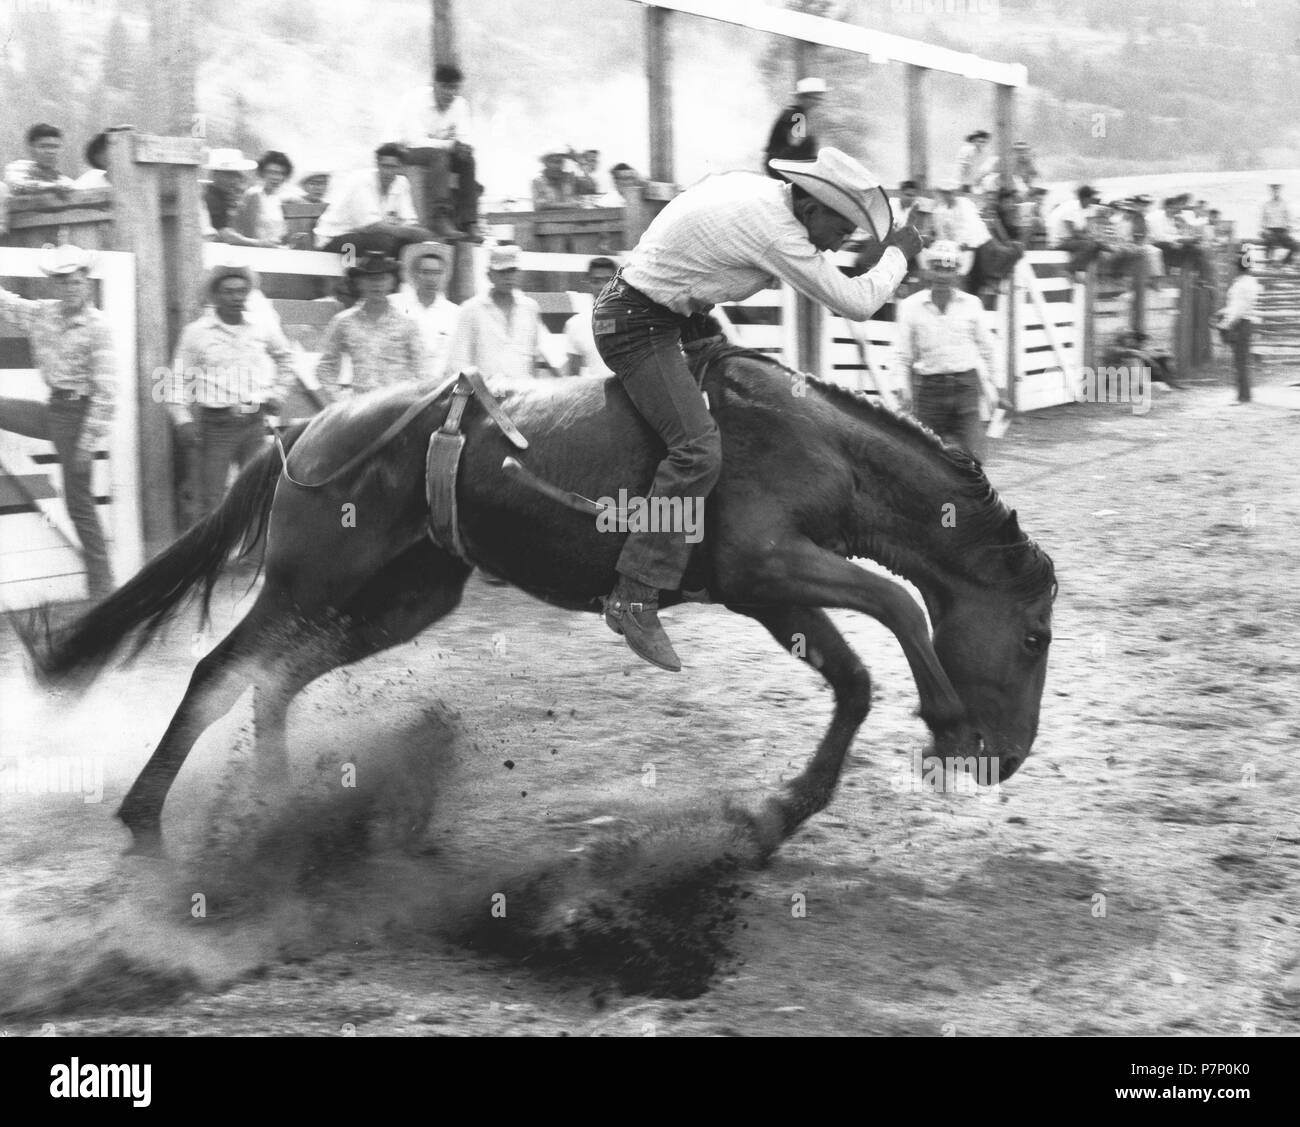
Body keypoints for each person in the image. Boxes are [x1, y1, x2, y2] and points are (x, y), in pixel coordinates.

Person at [591, 147, 920, 671]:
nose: (842, 242)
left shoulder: (762, 195)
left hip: (672, 313)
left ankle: (729, 540)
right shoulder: (777, 230)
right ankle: (634, 590)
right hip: (639, 324)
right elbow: (856, 302)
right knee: (697, 448)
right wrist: (898, 255)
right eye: (841, 229)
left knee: (752, 411)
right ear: (811, 209)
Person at [0, 244, 115, 599]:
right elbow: (7, 304)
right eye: (64, 281)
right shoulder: (43, 314)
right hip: (54, 410)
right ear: (55, 284)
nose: (71, 287)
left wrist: (85, 444)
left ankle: (103, 589)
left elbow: (108, 393)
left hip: (79, 418)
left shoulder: (98, 327)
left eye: (77, 280)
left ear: (87, 282)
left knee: (78, 504)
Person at [168, 265, 297, 518]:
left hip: (254, 422)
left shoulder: (260, 327)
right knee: (211, 498)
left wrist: (278, 393)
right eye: (228, 292)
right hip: (216, 426)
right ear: (214, 296)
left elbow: (287, 358)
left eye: (241, 291)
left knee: (259, 492)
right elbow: (175, 379)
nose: (236, 297)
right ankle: (213, 555)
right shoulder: (196, 333)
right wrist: (182, 419)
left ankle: (253, 556)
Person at [894, 241, 1003, 465]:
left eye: (949, 269)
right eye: (937, 268)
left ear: (957, 273)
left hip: (966, 389)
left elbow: (988, 348)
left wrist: (999, 386)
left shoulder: (972, 304)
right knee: (924, 460)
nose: (943, 276)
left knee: (974, 457)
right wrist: (902, 389)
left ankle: (967, 500)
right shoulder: (910, 307)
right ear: (928, 271)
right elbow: (901, 355)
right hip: (928, 391)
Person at [314, 252, 425, 398]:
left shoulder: (408, 324)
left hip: (398, 405)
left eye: (383, 278)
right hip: (361, 408)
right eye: (371, 279)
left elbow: (421, 370)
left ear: (392, 282)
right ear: (359, 283)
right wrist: (340, 399)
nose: (377, 284)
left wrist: (413, 399)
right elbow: (324, 366)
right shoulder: (343, 321)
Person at [396, 63, 483, 241]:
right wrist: (450, 145)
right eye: (445, 88)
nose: (450, 94)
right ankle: (440, 217)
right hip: (407, 152)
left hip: (440, 150)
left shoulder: (460, 104)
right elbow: (414, 141)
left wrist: (463, 147)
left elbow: (463, 137)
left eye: (454, 88)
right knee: (439, 156)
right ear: (435, 84)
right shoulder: (414, 100)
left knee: (468, 159)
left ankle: (470, 221)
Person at [448, 243, 554, 382]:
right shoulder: (471, 309)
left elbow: (535, 355)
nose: (508, 277)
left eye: (512, 270)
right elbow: (460, 360)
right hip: (485, 395)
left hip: (524, 393)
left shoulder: (530, 308)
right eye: (502, 271)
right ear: (489, 275)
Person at [314, 143, 436, 255]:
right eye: (384, 166)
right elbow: (371, 226)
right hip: (335, 238)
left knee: (409, 245)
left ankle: (396, 277)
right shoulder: (361, 180)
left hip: (365, 238)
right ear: (377, 164)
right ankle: (351, 275)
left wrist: (417, 234)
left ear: (401, 168)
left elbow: (408, 221)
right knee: (381, 242)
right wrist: (412, 232)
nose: (388, 172)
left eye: (393, 167)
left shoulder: (401, 182)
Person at [393, 242, 460, 381]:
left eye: (437, 273)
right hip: (401, 388)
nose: (431, 278)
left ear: (444, 275)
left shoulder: (455, 313)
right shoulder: (395, 306)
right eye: (425, 272)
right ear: (414, 274)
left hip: (442, 388)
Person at [1219, 251, 1261, 405]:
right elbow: (1239, 306)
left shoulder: (1241, 284)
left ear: (1238, 267)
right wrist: (1225, 312)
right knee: (1241, 359)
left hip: (1240, 323)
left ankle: (1243, 396)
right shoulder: (1250, 282)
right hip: (1245, 322)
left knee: (1240, 360)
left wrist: (1227, 323)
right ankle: (1244, 394)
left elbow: (1239, 308)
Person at [565, 257, 618, 376]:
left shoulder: (634, 322)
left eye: (608, 280)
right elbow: (573, 376)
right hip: (595, 392)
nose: (602, 286)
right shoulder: (576, 325)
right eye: (596, 281)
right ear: (588, 283)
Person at [763, 77, 827, 176]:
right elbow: (795, 143)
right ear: (803, 98)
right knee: (809, 142)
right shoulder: (797, 115)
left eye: (819, 98)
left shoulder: (796, 113)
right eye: (815, 98)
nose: (818, 102)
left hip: (778, 162)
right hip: (779, 165)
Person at [231, 150, 295, 247]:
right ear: (262, 173)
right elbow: (240, 226)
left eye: (280, 173)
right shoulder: (251, 195)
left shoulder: (291, 198)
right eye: (271, 172)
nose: (276, 177)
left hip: (282, 250)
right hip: (255, 248)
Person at [5, 123, 75, 195]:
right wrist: (51, 187)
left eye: (55, 147)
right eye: (44, 146)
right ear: (30, 148)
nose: (50, 151)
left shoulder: (66, 182)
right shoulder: (18, 169)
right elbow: (17, 187)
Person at [202, 148, 257, 238]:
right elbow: (223, 233)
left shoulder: (228, 197)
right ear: (215, 175)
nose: (234, 181)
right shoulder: (211, 199)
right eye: (228, 175)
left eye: (236, 175)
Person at [1260, 183, 1297, 269]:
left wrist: (1288, 230)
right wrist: (1265, 230)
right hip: (1270, 232)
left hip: (1282, 231)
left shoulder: (1284, 204)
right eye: (1273, 190)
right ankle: (1271, 265)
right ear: (1271, 191)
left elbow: (1288, 220)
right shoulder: (1266, 205)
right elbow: (1262, 222)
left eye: (1277, 190)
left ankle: (1284, 263)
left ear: (1279, 191)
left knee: (1295, 246)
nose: (1275, 192)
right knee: (1273, 243)